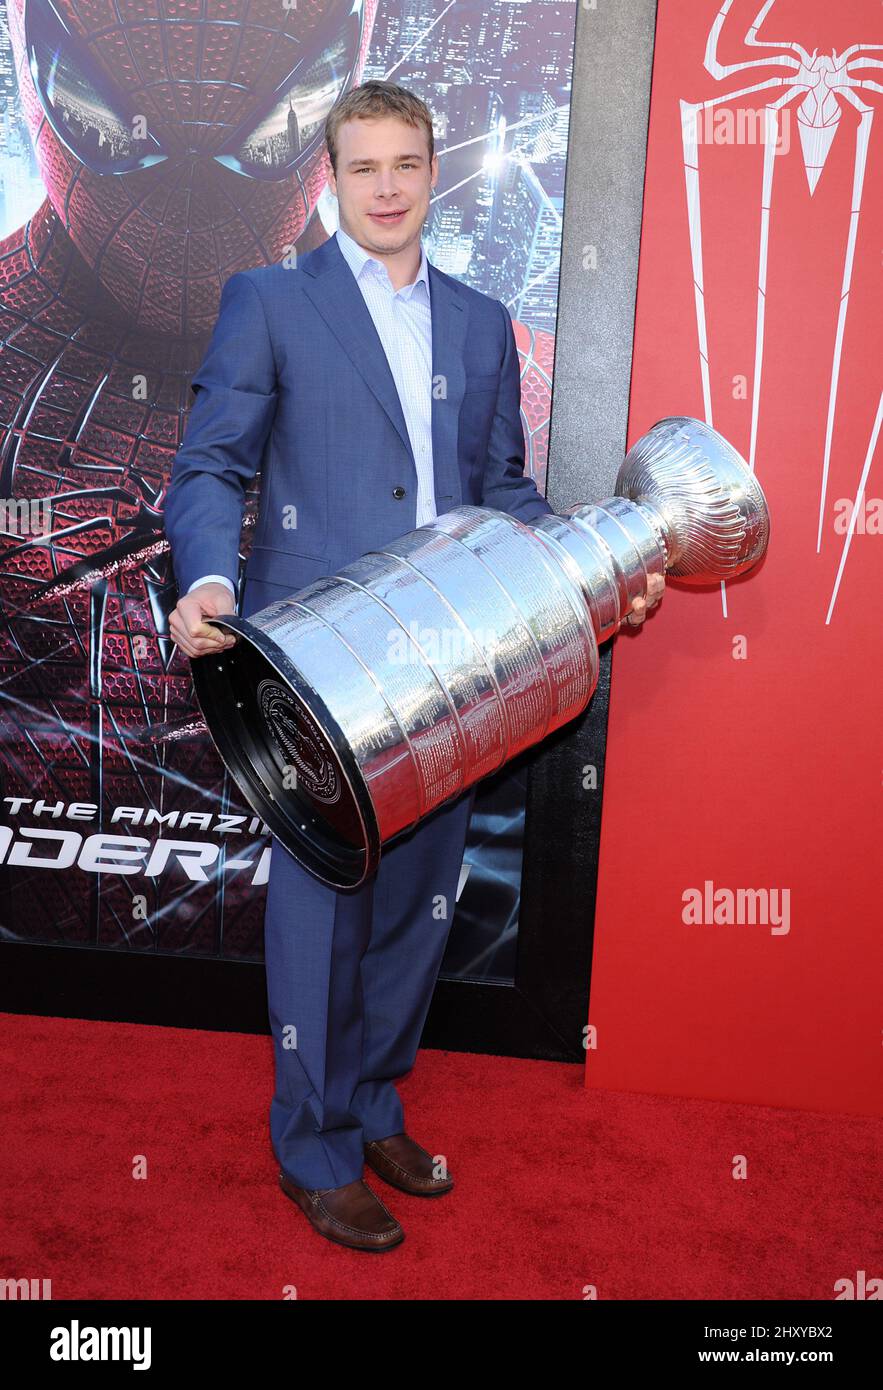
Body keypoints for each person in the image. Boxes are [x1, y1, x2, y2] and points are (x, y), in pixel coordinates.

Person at [163, 80, 553, 1252]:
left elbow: (501, 489)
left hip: (454, 656)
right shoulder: (271, 302)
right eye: (364, 166)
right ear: (331, 175)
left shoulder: (483, 323)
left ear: (437, 173)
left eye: (408, 164)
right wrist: (209, 579)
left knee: (418, 910)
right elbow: (209, 467)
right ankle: (315, 1146)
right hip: (320, 661)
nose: (387, 187)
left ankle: (374, 1105)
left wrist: (568, 561)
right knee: (324, 915)